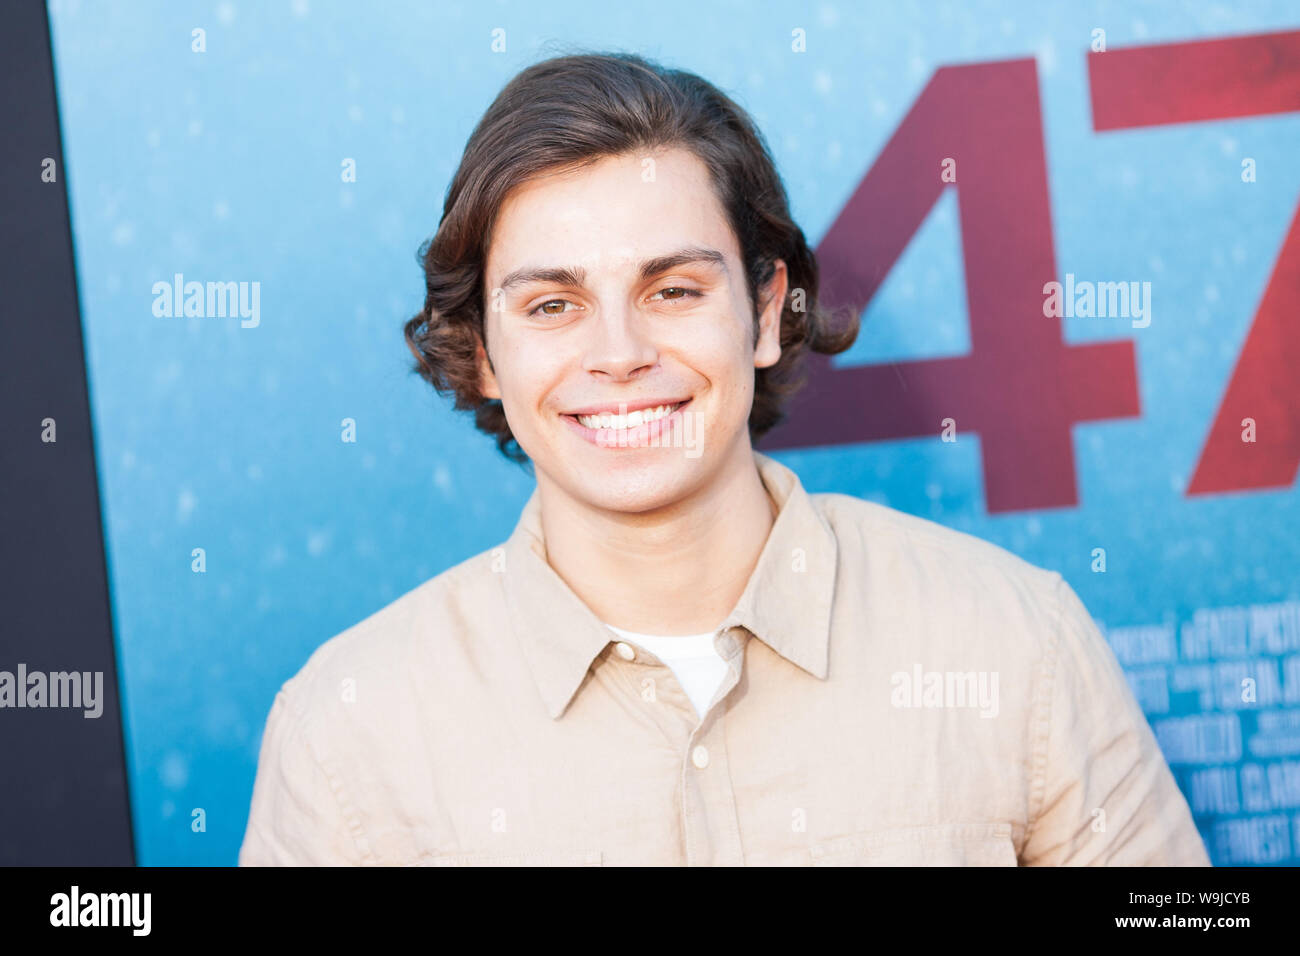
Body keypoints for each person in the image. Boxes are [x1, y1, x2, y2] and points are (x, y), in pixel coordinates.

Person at [239, 51, 1209, 866]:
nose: (618, 352)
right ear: (484, 352)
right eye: (552, 304)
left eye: (670, 289)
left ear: (762, 309)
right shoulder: (351, 731)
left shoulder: (1012, 641)